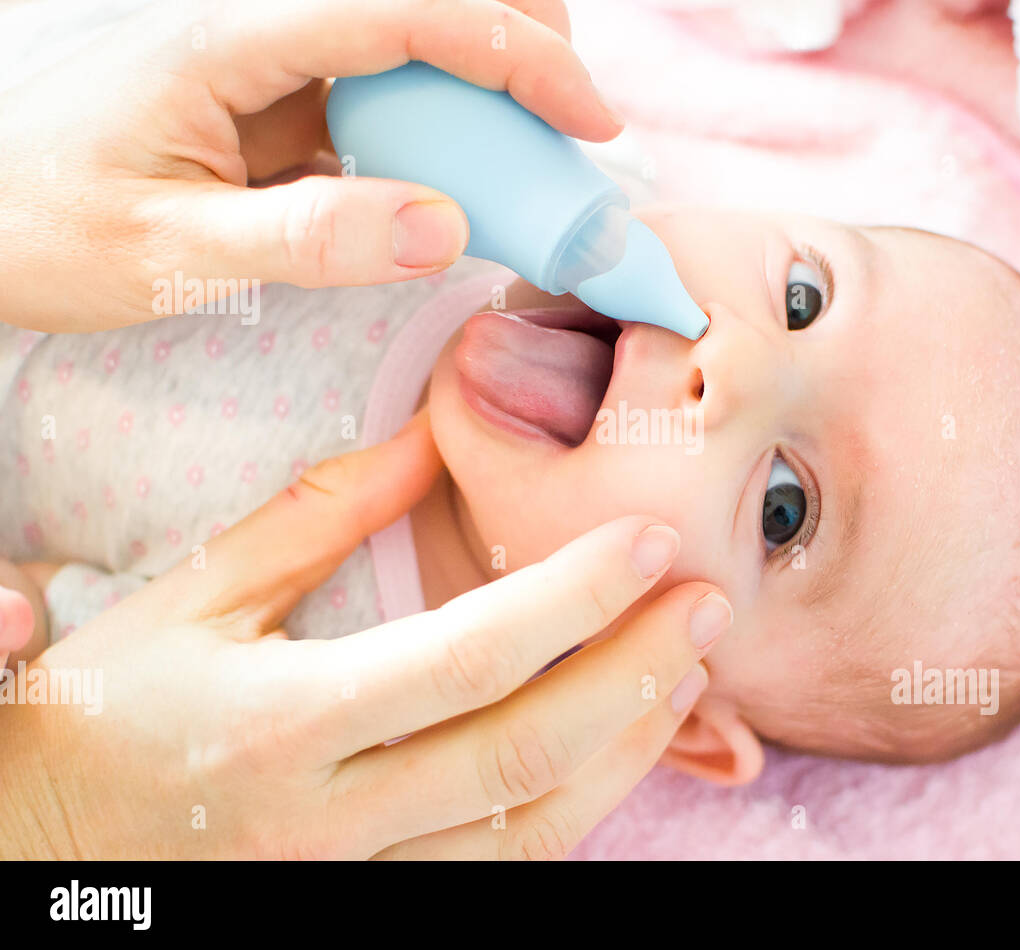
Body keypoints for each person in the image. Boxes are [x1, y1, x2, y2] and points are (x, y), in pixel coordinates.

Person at [0, 0, 728, 859]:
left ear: (673, 702)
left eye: (784, 510)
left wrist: (42, 744)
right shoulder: (579, 188)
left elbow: (60, 651)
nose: (734, 362)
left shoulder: (351, 726)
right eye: (804, 299)